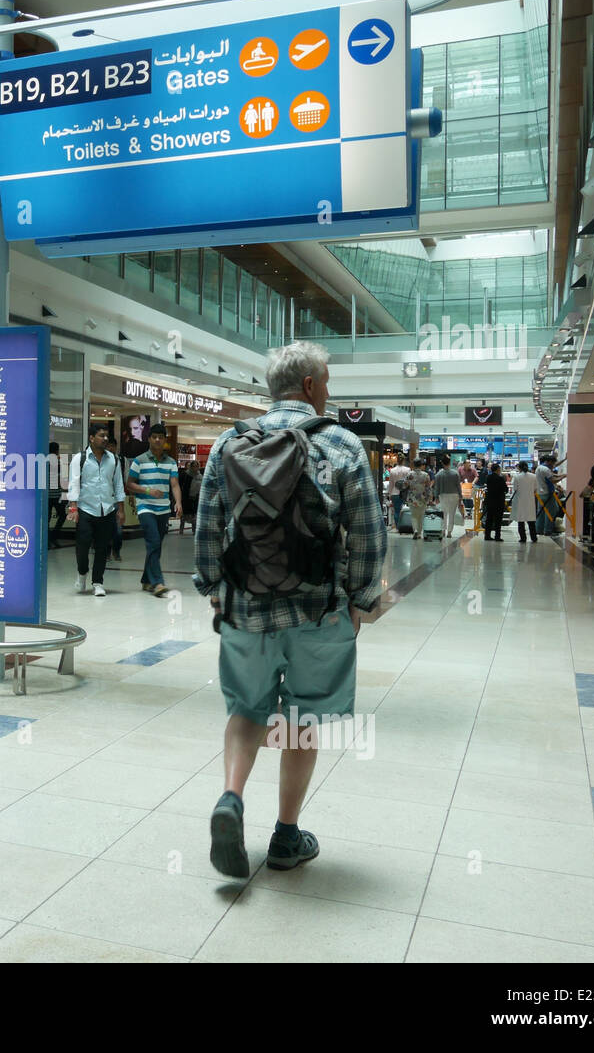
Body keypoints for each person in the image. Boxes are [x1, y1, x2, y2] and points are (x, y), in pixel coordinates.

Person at [196, 342, 385, 878]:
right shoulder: (343, 444)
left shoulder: (230, 442)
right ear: (308, 386)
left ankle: (231, 797)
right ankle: (285, 837)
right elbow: (369, 533)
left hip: (243, 608)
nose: (328, 389)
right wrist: (361, 602)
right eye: (325, 381)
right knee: (300, 720)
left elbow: (209, 526)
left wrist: (213, 587)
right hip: (318, 611)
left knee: (245, 710)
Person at [67, 422, 124, 597]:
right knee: (82, 547)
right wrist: (73, 507)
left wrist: (120, 510)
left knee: (102, 548)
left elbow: (118, 485)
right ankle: (82, 572)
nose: (105, 439)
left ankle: (98, 582)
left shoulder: (114, 459)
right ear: (91, 438)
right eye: (101, 435)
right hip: (85, 509)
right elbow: (74, 483)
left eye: (106, 436)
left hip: (107, 509)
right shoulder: (80, 458)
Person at [127, 423, 182, 597]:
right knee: (154, 542)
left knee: (155, 545)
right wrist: (148, 491)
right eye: (154, 437)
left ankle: (145, 580)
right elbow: (130, 484)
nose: (158, 440)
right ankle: (158, 583)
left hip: (163, 509)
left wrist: (178, 503)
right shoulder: (139, 460)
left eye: (161, 437)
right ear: (149, 439)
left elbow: (174, 484)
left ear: (165, 440)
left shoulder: (171, 462)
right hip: (145, 507)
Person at [535, 455, 565, 537]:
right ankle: (548, 530)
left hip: (540, 494)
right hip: (547, 494)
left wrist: (565, 458)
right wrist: (563, 476)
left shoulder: (539, 468)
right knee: (552, 511)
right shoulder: (546, 469)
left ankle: (539, 529)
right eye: (553, 463)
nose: (553, 465)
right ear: (549, 462)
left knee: (541, 512)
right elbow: (553, 480)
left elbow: (552, 475)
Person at [433, 454, 463, 538]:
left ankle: (443, 530)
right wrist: (460, 496)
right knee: (452, 514)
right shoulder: (455, 473)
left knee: (444, 513)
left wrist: (436, 497)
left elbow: (437, 487)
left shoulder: (439, 474)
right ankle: (449, 532)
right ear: (449, 463)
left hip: (443, 495)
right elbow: (458, 486)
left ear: (442, 463)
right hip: (454, 495)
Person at [509, 461, 538, 543]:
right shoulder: (533, 476)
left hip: (520, 500)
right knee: (531, 520)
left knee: (521, 520)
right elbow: (536, 488)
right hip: (530, 500)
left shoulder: (517, 477)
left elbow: (515, 488)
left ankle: (523, 538)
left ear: (519, 467)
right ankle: (534, 537)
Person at [404, 458, 432, 541]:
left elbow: (405, 485)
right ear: (421, 465)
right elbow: (428, 488)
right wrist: (430, 497)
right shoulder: (426, 475)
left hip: (412, 498)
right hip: (423, 498)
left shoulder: (409, 474)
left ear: (413, 465)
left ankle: (415, 530)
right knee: (421, 516)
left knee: (413, 516)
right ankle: (419, 533)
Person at [47, 442, 67, 549]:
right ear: (57, 450)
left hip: (47, 495)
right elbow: (61, 479)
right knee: (63, 515)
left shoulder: (44, 461)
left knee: (47, 518)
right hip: (56, 495)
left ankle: (48, 539)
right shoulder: (58, 462)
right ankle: (53, 537)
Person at [484, 462, 508, 541]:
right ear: (498, 469)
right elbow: (505, 489)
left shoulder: (488, 477)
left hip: (490, 501)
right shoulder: (500, 478)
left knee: (489, 519)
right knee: (498, 519)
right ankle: (497, 536)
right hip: (499, 501)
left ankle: (487, 535)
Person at [179, 459, 202, 534]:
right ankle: (181, 529)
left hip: (196, 498)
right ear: (191, 467)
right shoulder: (185, 474)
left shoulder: (200, 476)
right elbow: (180, 486)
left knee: (194, 514)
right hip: (186, 498)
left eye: (196, 466)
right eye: (193, 466)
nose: (195, 468)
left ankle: (194, 530)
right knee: (184, 514)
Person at [388, 455, 411, 530]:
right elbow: (409, 483)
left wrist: (390, 494)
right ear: (403, 461)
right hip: (405, 493)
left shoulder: (392, 470)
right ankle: (405, 525)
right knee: (406, 510)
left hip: (395, 492)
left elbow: (391, 484)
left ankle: (398, 527)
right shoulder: (407, 470)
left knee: (396, 511)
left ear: (397, 461)